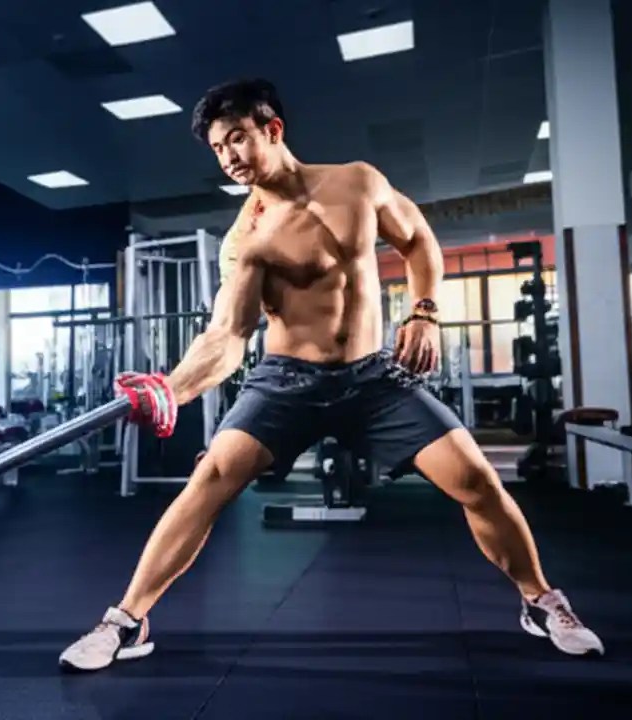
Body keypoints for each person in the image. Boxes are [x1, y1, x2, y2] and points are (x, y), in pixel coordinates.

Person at [59, 78, 604, 672]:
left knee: (476, 480)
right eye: (218, 149)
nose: (229, 158)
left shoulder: (358, 182)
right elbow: (229, 336)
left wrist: (424, 311)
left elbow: (419, 238)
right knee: (211, 477)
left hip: (373, 379)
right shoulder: (248, 242)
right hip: (286, 382)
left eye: (237, 139)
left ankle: (542, 601)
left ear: (273, 129)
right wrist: (173, 388)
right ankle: (128, 620)